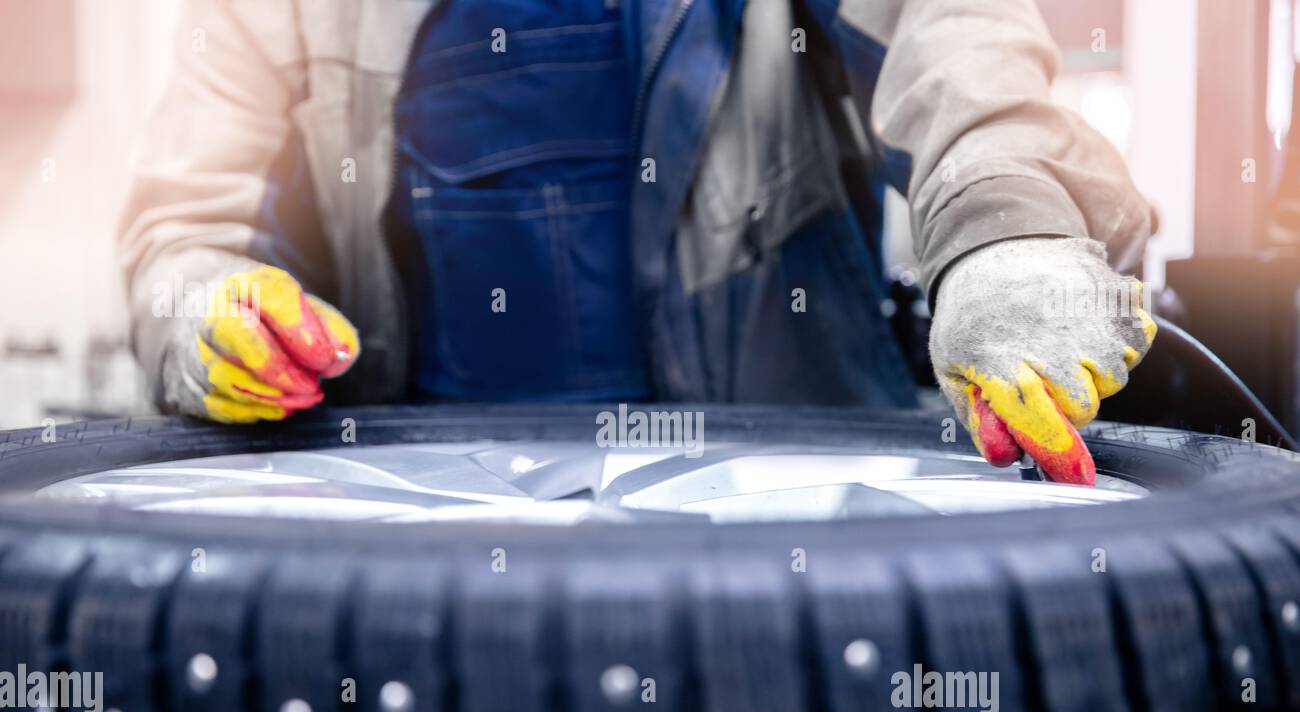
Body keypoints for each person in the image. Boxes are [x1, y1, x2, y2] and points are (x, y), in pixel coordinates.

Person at [119, 0, 1156, 484]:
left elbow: (956, 42)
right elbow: (181, 233)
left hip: (800, 537)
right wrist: (204, 312)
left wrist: (1002, 229)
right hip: (422, 543)